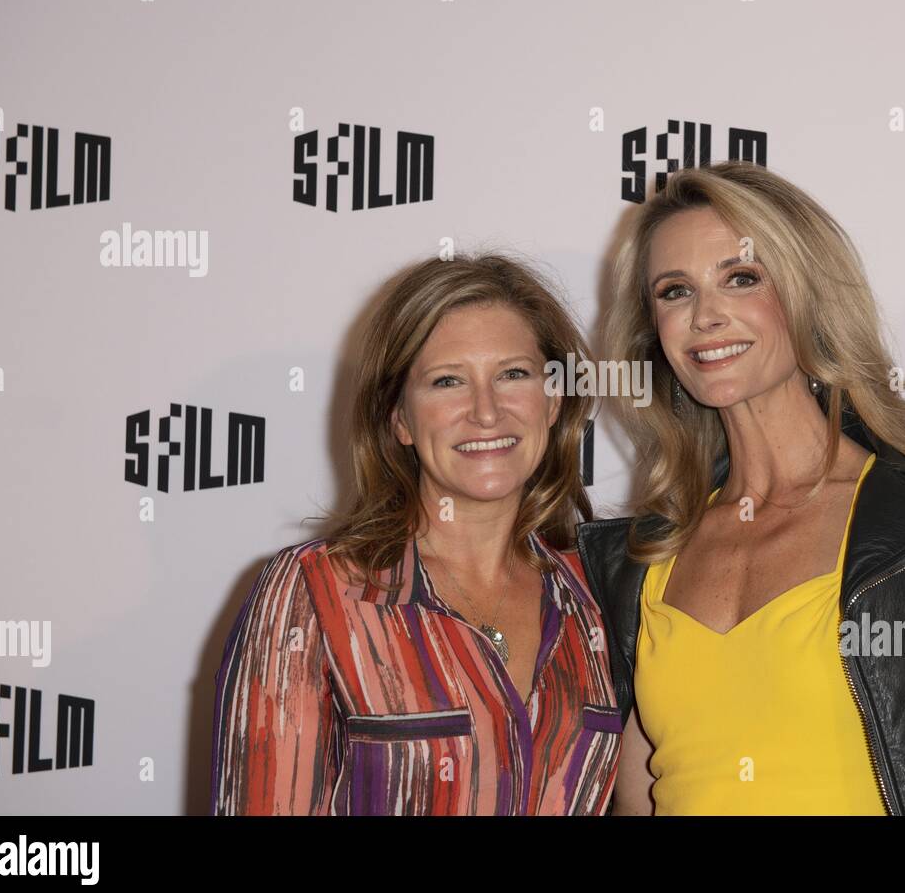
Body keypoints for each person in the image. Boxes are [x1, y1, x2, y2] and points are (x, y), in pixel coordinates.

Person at [579, 160, 905, 815]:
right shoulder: (641, 562)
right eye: (674, 291)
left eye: (741, 278)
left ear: (806, 298)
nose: (705, 316)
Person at [212, 253, 621, 815]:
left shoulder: (598, 595)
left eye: (513, 374)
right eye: (447, 381)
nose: (485, 411)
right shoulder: (316, 592)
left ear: (552, 401)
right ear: (399, 419)